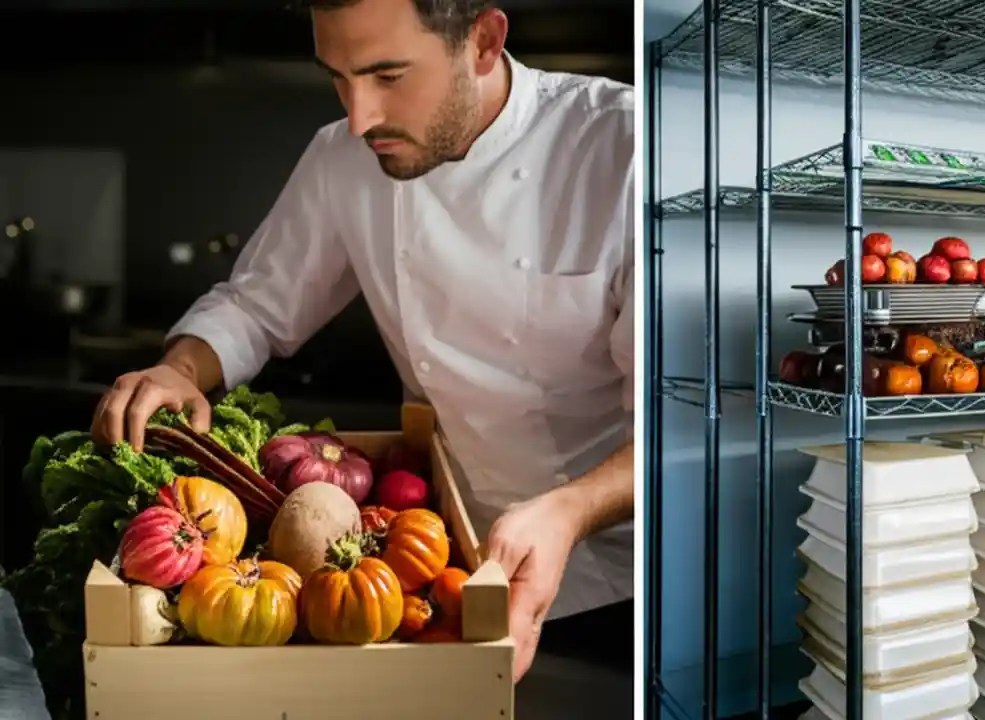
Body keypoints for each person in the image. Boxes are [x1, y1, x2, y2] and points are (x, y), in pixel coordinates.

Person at [89, 0, 635, 695]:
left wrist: (570, 509)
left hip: (615, 578)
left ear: (484, 42)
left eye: (387, 75)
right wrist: (181, 368)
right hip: (431, 570)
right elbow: (257, 303)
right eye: (338, 78)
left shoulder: (622, 147)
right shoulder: (343, 157)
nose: (359, 117)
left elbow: (674, 413)